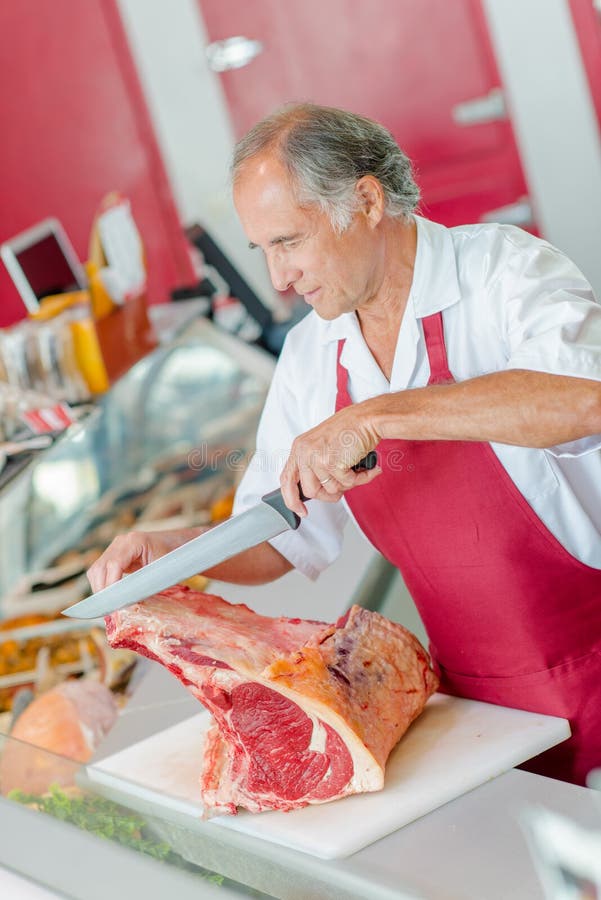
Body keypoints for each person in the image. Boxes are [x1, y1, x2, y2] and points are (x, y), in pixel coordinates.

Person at [88, 103, 601, 787]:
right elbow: (281, 537)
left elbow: (580, 398)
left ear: (365, 201)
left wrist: (376, 417)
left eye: (289, 241)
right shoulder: (312, 352)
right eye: (263, 251)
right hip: (476, 703)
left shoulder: (502, 271)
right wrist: (174, 551)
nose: (278, 278)